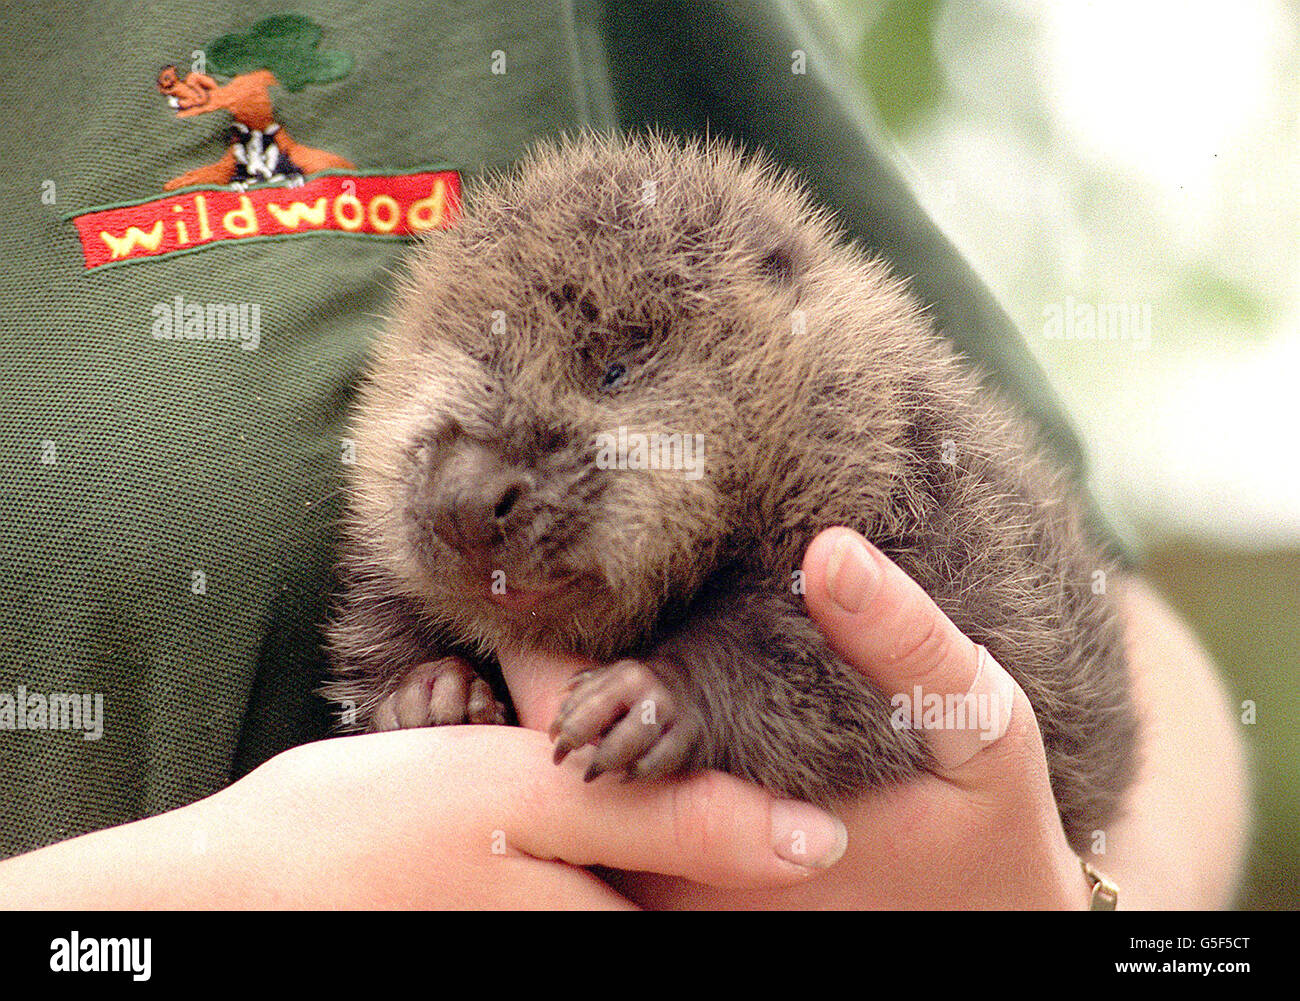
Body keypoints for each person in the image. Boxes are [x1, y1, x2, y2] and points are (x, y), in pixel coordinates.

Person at [0, 4, 1248, 907]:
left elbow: (1092, 660)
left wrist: (1093, 911)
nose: (480, 487)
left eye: (610, 376)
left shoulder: (868, 433)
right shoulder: (417, 545)